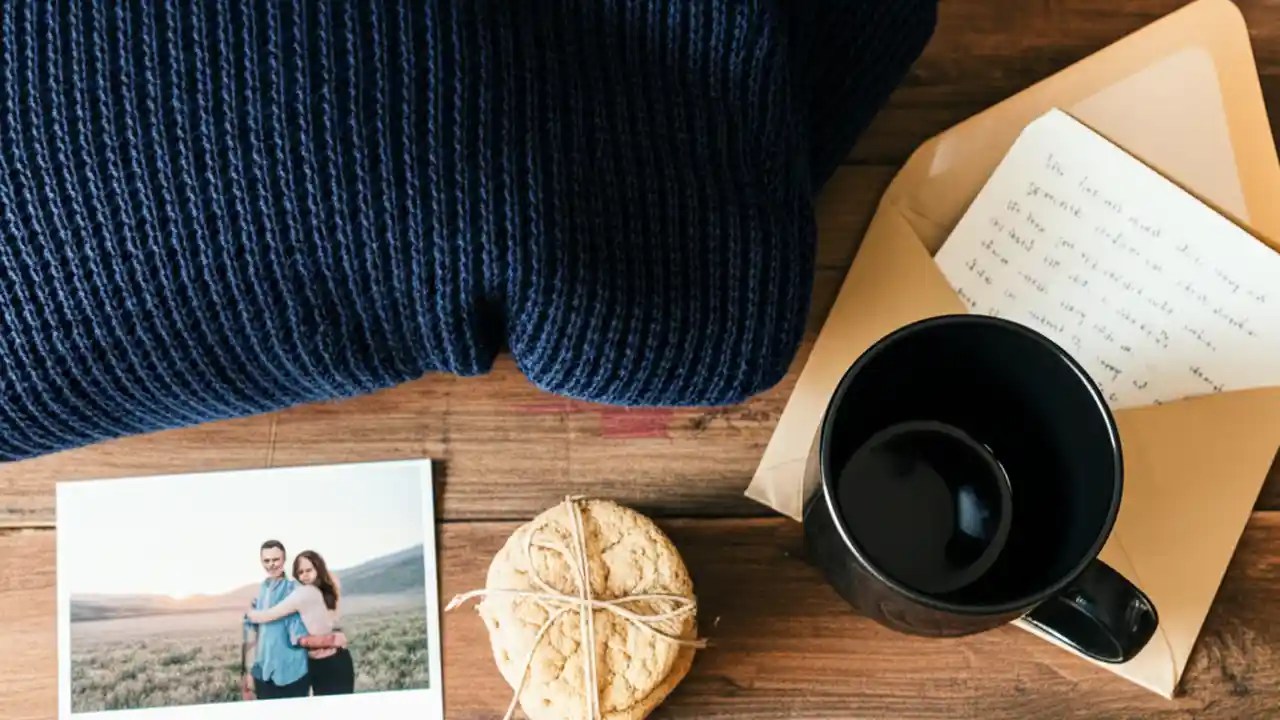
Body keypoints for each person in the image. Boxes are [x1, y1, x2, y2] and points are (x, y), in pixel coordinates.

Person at [247, 550, 356, 695]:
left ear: (318, 569)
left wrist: (250, 613)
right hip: (333, 659)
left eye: (309, 570)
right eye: (300, 572)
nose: (304, 575)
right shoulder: (326, 590)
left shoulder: (304, 593)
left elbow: (269, 615)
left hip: (327, 663)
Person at [242, 540, 310, 700]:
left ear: (284, 560)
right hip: (264, 673)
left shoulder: (295, 588)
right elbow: (251, 634)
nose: (271, 565)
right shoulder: (259, 591)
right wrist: (248, 672)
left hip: (293, 671)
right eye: (266, 560)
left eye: (276, 560)